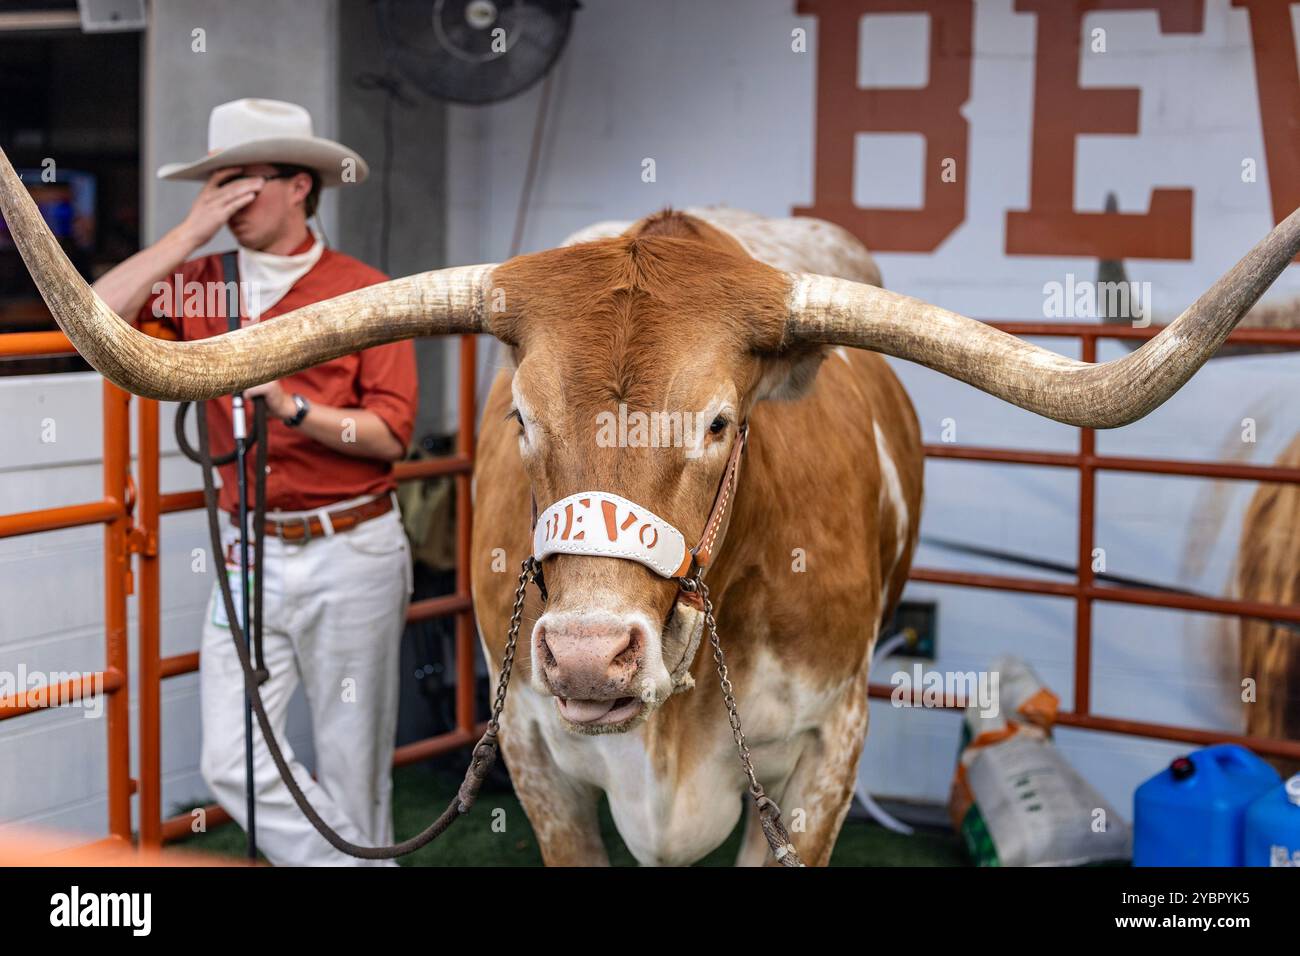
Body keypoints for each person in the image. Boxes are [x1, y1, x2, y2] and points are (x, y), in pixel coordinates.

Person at [93, 98, 417, 866]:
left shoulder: (366, 288)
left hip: (353, 545)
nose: (228, 200)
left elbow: (391, 436)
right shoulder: (200, 280)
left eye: (244, 183)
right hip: (245, 553)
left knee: (352, 765)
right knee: (229, 761)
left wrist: (293, 408)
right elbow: (96, 321)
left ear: (300, 185)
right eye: (216, 185)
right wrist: (186, 233)